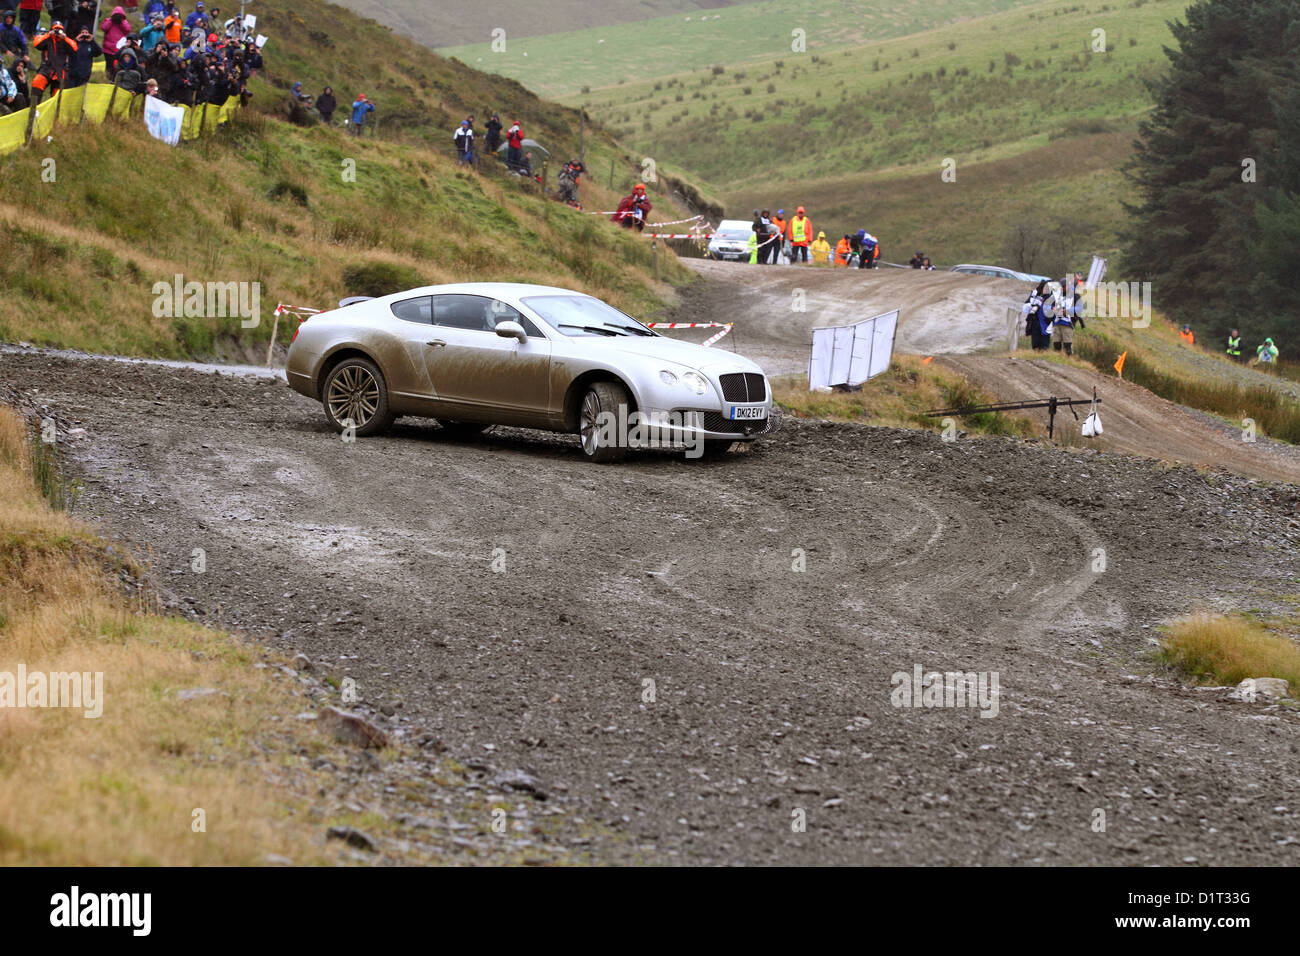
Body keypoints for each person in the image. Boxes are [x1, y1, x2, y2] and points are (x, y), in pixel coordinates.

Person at [30, 21, 78, 104]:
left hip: (60, 72)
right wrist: (49, 35)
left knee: (57, 96)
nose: (57, 32)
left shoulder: (65, 41)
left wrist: (65, 38)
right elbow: (36, 44)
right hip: (47, 68)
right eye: (55, 29)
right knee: (37, 82)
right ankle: (34, 108)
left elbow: (75, 48)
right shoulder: (47, 38)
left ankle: (54, 114)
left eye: (60, 30)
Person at [1052, 277, 1086, 355]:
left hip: (1068, 323)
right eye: (1061, 287)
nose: (1062, 288)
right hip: (1057, 322)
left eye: (1063, 287)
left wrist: (1067, 311)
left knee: (1067, 345)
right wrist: (1053, 308)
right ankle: (1057, 359)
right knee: (1056, 344)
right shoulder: (1057, 294)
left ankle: (1069, 359)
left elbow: (1080, 308)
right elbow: (1050, 305)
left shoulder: (1075, 295)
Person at [101, 6, 132, 76]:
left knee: (118, 68)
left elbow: (128, 30)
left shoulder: (124, 23)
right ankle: (107, 80)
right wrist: (111, 20)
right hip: (108, 50)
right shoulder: (108, 21)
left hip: (119, 50)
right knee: (109, 67)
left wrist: (121, 21)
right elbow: (103, 28)